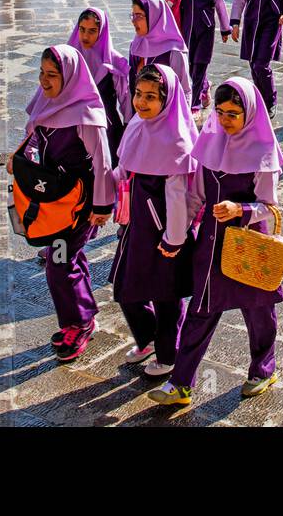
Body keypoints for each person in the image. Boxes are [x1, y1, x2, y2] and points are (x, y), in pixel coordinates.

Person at [147, 77, 283, 407]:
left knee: (259, 311)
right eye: (219, 112)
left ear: (249, 113)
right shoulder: (209, 142)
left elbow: (269, 207)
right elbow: (195, 196)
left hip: (249, 244)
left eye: (232, 114)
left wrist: (240, 209)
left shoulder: (263, 152)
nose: (224, 120)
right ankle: (181, 383)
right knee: (200, 311)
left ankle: (263, 369)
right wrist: (176, 235)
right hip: (211, 245)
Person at [8, 45, 115, 363]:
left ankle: (78, 323)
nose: (44, 80)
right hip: (55, 202)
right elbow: (34, 137)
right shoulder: (46, 104)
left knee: (58, 263)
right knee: (68, 256)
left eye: (52, 75)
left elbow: (103, 163)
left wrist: (102, 206)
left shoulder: (86, 117)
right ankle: (85, 312)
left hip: (81, 205)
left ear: (68, 77)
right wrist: (19, 158)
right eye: (42, 73)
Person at [109, 63, 197, 376]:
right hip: (135, 228)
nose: (141, 102)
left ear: (167, 99)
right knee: (125, 286)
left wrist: (173, 239)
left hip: (163, 235)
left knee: (166, 296)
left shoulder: (175, 140)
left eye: (151, 96)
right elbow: (124, 168)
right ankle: (147, 338)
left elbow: (177, 197)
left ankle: (169, 355)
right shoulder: (137, 126)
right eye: (138, 93)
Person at [169, 0, 232, 112]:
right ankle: (204, 87)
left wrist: (225, 28)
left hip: (205, 29)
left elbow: (220, 2)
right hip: (186, 28)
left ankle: (195, 105)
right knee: (189, 65)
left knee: (200, 64)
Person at [67, 7, 130, 163]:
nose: (85, 36)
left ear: (101, 32)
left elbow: (125, 99)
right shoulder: (69, 59)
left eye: (92, 31)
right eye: (82, 29)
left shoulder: (114, 62)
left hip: (107, 130)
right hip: (75, 130)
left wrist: (129, 129)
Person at [128, 0, 192, 107]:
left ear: (154, 17)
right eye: (133, 16)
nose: (133, 21)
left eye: (139, 16)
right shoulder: (136, 46)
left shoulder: (174, 52)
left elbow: (184, 91)